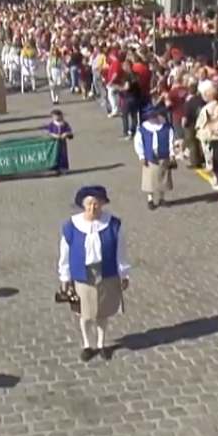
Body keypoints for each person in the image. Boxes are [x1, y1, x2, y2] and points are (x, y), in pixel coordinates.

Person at [57, 186, 130, 362]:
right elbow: (64, 254)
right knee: (85, 313)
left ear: (103, 204)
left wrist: (124, 273)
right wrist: (65, 278)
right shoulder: (71, 227)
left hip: (106, 274)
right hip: (82, 276)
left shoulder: (113, 225)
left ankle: (101, 344)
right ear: (83, 205)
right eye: (89, 204)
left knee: (102, 313)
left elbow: (121, 251)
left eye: (96, 204)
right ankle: (86, 344)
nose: (92, 208)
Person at [133, 104, 175, 210]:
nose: (154, 118)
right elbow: (138, 143)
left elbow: (171, 141)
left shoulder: (166, 127)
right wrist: (141, 156)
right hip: (150, 158)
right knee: (149, 180)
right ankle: (150, 199)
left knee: (163, 179)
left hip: (163, 156)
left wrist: (172, 154)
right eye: (151, 116)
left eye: (155, 115)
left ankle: (162, 198)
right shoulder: (143, 129)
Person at [46, 109, 74, 174]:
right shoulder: (52, 124)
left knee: (63, 155)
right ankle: (55, 168)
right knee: (55, 154)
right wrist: (55, 136)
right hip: (54, 143)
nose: (56, 117)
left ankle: (63, 168)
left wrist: (66, 134)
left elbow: (69, 132)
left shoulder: (64, 124)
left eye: (58, 116)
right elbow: (49, 133)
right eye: (54, 116)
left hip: (62, 142)